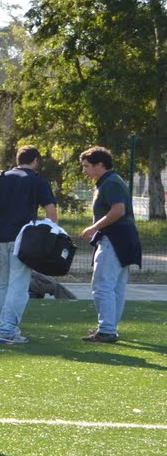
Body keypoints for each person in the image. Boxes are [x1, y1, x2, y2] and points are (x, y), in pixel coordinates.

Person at [0, 145, 58, 344]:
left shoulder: (0, 177)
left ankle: (6, 325)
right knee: (19, 287)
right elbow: (51, 213)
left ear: (18, 159)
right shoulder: (37, 181)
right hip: (25, 240)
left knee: (3, 284)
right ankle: (8, 329)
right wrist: (50, 235)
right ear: (35, 161)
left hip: (0, 236)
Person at [79, 145, 141, 343]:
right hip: (124, 237)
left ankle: (106, 330)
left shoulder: (111, 183)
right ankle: (109, 328)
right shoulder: (109, 181)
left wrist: (93, 228)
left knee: (102, 284)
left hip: (115, 238)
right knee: (115, 286)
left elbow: (118, 210)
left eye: (87, 166)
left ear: (100, 165)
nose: (84, 170)